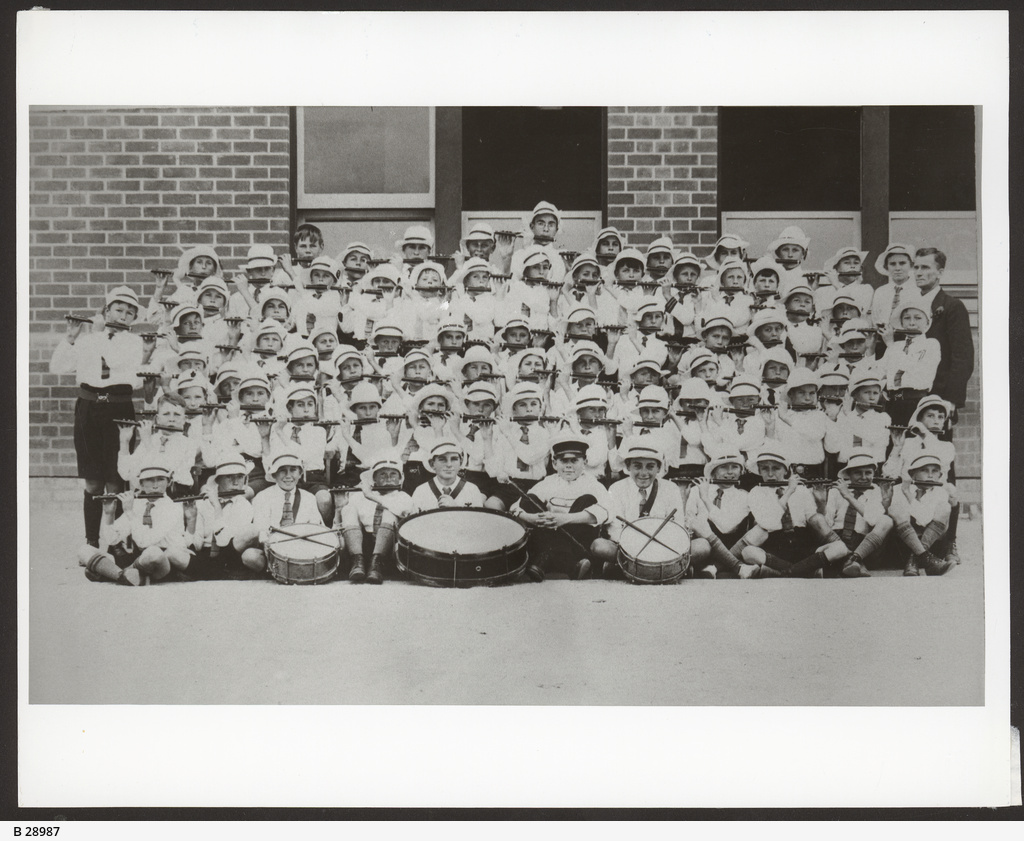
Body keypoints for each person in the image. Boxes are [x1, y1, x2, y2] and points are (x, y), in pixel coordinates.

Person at [50, 285, 157, 546]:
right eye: (118, 310)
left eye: (130, 313)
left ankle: (117, 541)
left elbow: (136, 379)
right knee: (93, 480)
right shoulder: (87, 340)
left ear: (135, 318)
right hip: (89, 410)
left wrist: (147, 355)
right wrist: (72, 337)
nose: (123, 316)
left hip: (119, 410)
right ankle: (91, 541)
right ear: (105, 310)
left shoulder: (136, 343)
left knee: (116, 477)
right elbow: (58, 367)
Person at [509, 433, 615, 582]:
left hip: (578, 543)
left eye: (574, 460)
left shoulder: (593, 484)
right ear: (554, 463)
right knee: (530, 500)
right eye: (564, 461)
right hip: (550, 536)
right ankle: (570, 566)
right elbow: (516, 507)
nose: (569, 466)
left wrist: (565, 519)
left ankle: (546, 561)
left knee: (587, 500)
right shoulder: (548, 482)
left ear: (585, 462)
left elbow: (607, 511)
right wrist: (531, 518)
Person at [603, 437, 686, 580]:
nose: (643, 473)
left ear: (659, 468)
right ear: (628, 466)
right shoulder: (616, 489)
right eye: (637, 466)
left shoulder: (671, 489)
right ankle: (671, 571)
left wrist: (655, 546)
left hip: (662, 547)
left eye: (650, 466)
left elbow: (677, 526)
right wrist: (637, 546)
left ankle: (624, 569)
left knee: (702, 547)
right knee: (600, 547)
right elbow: (614, 530)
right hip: (629, 548)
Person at [912, 247, 974, 413]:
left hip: (938, 398)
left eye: (925, 267)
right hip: (909, 397)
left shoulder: (952, 306)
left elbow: (963, 358)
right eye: (916, 267)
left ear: (939, 273)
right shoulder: (909, 307)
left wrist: (950, 400)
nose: (918, 273)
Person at [339, 453, 416, 584]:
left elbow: (403, 512)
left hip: (389, 551)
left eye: (393, 474)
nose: (388, 478)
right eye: (382, 474)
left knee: (389, 512)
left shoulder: (403, 497)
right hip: (362, 547)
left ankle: (377, 564)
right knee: (348, 509)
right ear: (374, 479)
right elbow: (342, 522)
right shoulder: (359, 496)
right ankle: (357, 562)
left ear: (400, 479)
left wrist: (371, 496)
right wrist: (339, 506)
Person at [816, 452, 893, 577]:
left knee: (886, 520)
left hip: (864, 543)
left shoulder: (876, 490)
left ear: (873, 474)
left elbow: (873, 520)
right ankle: (851, 562)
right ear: (849, 475)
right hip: (837, 539)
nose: (863, 477)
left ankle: (854, 558)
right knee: (817, 519)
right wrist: (821, 503)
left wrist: (848, 496)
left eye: (868, 472)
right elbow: (827, 523)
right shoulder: (836, 490)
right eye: (857, 473)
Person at [249, 450, 326, 574]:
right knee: (250, 556)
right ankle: (273, 572)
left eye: (293, 470)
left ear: (300, 473)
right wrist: (268, 544)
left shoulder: (308, 497)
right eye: (282, 470)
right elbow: (261, 528)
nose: (288, 476)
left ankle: (293, 571)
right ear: (274, 474)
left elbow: (315, 527)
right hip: (272, 547)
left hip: (299, 547)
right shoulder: (263, 496)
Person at [888, 449, 955, 577]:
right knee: (896, 510)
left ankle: (915, 559)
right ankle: (923, 559)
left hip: (932, 548)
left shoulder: (941, 492)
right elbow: (901, 518)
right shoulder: (898, 490)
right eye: (924, 470)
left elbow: (923, 519)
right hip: (902, 549)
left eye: (934, 471)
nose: (930, 475)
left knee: (945, 508)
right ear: (912, 474)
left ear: (940, 475)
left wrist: (908, 495)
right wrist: (906, 491)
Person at [410, 440, 486, 510]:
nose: (449, 464)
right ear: (432, 464)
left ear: (461, 462)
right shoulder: (421, 491)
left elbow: (476, 522)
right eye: (442, 459)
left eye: (454, 459)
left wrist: (456, 508)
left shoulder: (472, 490)